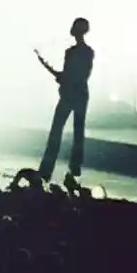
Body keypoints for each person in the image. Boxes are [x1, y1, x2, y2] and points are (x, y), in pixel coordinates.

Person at [35, 17, 93, 183]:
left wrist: (60, 77)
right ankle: (74, 169)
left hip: (70, 94)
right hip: (79, 93)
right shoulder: (86, 52)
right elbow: (82, 75)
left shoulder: (73, 52)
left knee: (57, 131)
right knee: (77, 132)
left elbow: (72, 75)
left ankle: (47, 170)